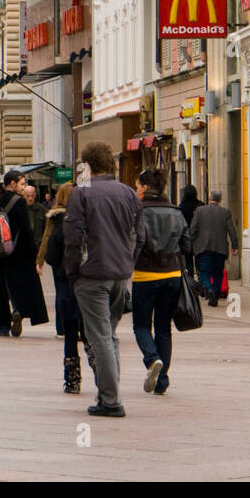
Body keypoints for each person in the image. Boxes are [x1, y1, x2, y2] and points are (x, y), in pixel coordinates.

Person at [63, 141, 146, 418]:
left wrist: (73, 271)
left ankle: (110, 400)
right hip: (120, 275)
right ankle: (106, 394)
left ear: (86, 165)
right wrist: (127, 264)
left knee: (99, 337)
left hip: (92, 274)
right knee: (108, 336)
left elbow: (73, 238)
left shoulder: (81, 194)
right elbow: (140, 236)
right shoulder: (129, 193)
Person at [132, 168, 190, 397]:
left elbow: (133, 242)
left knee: (141, 325)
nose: (136, 191)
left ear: (145, 188)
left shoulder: (138, 212)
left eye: (137, 187)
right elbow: (187, 245)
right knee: (164, 328)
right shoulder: (176, 211)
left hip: (145, 275)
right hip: (172, 275)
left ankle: (152, 359)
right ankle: (162, 380)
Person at [0, 170, 48, 337]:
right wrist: (33, 251)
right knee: (18, 283)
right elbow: (26, 228)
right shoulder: (18, 202)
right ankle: (18, 310)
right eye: (22, 183)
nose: (23, 187)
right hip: (17, 250)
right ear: (12, 184)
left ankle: (3, 325)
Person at [39, 183, 91, 393]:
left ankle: (72, 380)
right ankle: (101, 374)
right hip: (89, 285)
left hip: (66, 284)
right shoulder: (90, 222)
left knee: (70, 333)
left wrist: (44, 260)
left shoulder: (58, 221)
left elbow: (50, 253)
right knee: (91, 335)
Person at [189, 190, 238, 307]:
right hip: (220, 248)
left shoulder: (199, 211)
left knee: (203, 271)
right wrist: (234, 246)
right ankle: (214, 294)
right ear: (220, 200)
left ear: (209, 198)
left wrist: (190, 244)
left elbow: (193, 229)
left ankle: (209, 289)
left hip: (203, 247)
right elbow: (232, 230)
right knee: (218, 273)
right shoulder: (225, 212)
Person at [177, 185, 202, 276]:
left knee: (188, 263)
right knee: (200, 263)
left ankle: (191, 283)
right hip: (199, 238)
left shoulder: (181, 207)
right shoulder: (201, 205)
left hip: (186, 238)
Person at [23, 184, 47, 252]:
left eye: (32, 196)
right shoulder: (21, 209)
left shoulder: (42, 209)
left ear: (35, 195)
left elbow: (48, 226)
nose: (30, 198)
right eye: (28, 196)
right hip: (24, 246)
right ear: (24, 196)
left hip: (38, 245)